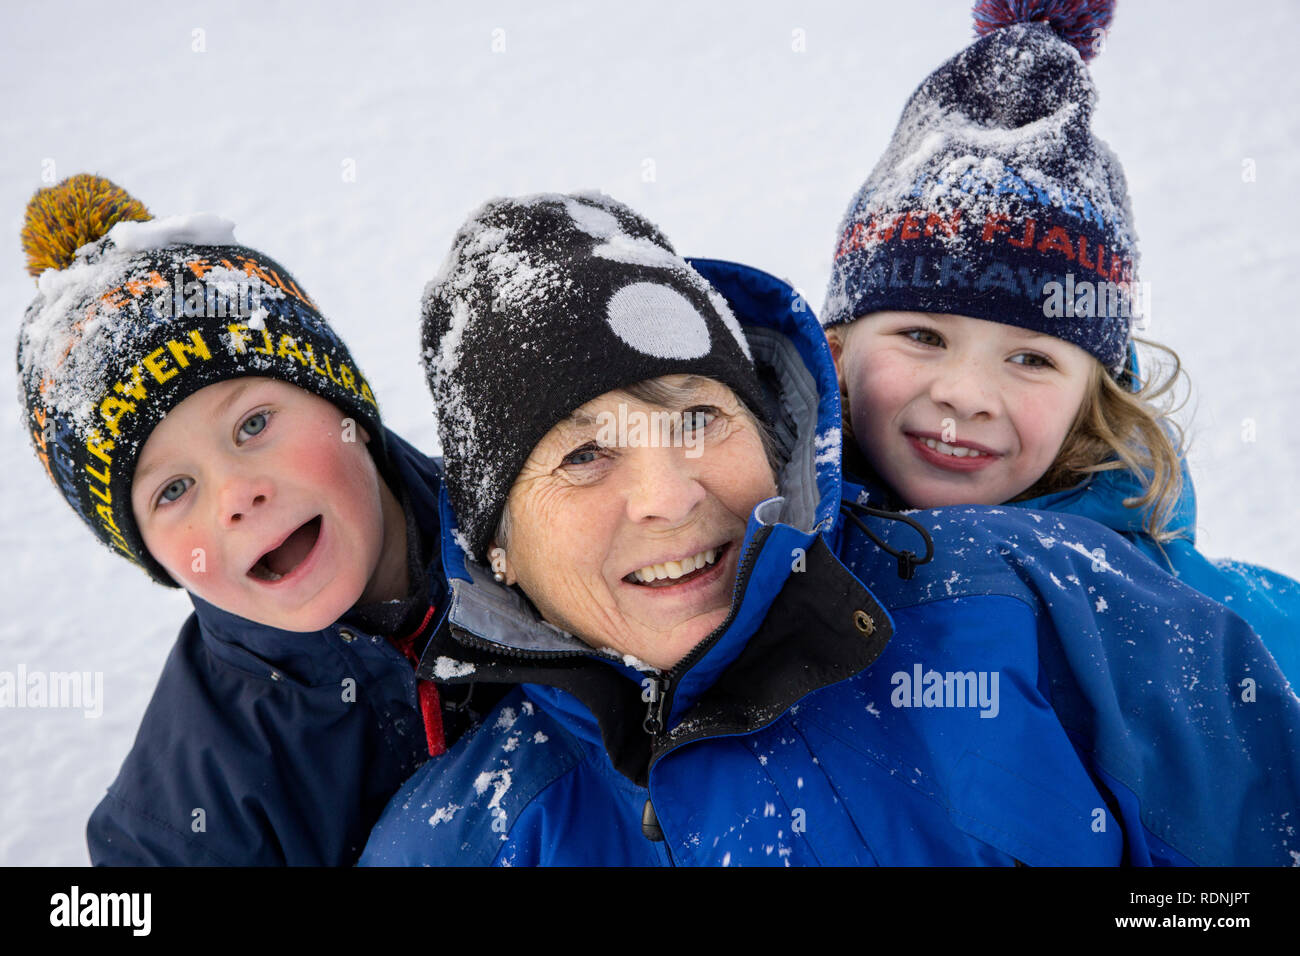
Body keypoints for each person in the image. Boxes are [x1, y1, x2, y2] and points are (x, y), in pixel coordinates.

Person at [360, 191, 1300, 866]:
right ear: (497, 547)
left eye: (696, 418)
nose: (669, 498)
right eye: (581, 456)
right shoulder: (466, 836)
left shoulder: (1042, 599)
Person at [819, 0, 1300, 685]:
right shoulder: (755, 552)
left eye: (1031, 358)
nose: (964, 393)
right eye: (922, 335)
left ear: (1093, 398)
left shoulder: (1162, 621)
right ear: (837, 348)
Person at [17, 174, 477, 865]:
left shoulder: (537, 531)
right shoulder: (186, 815)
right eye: (173, 490)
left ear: (344, 405)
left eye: (253, 423)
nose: (236, 495)